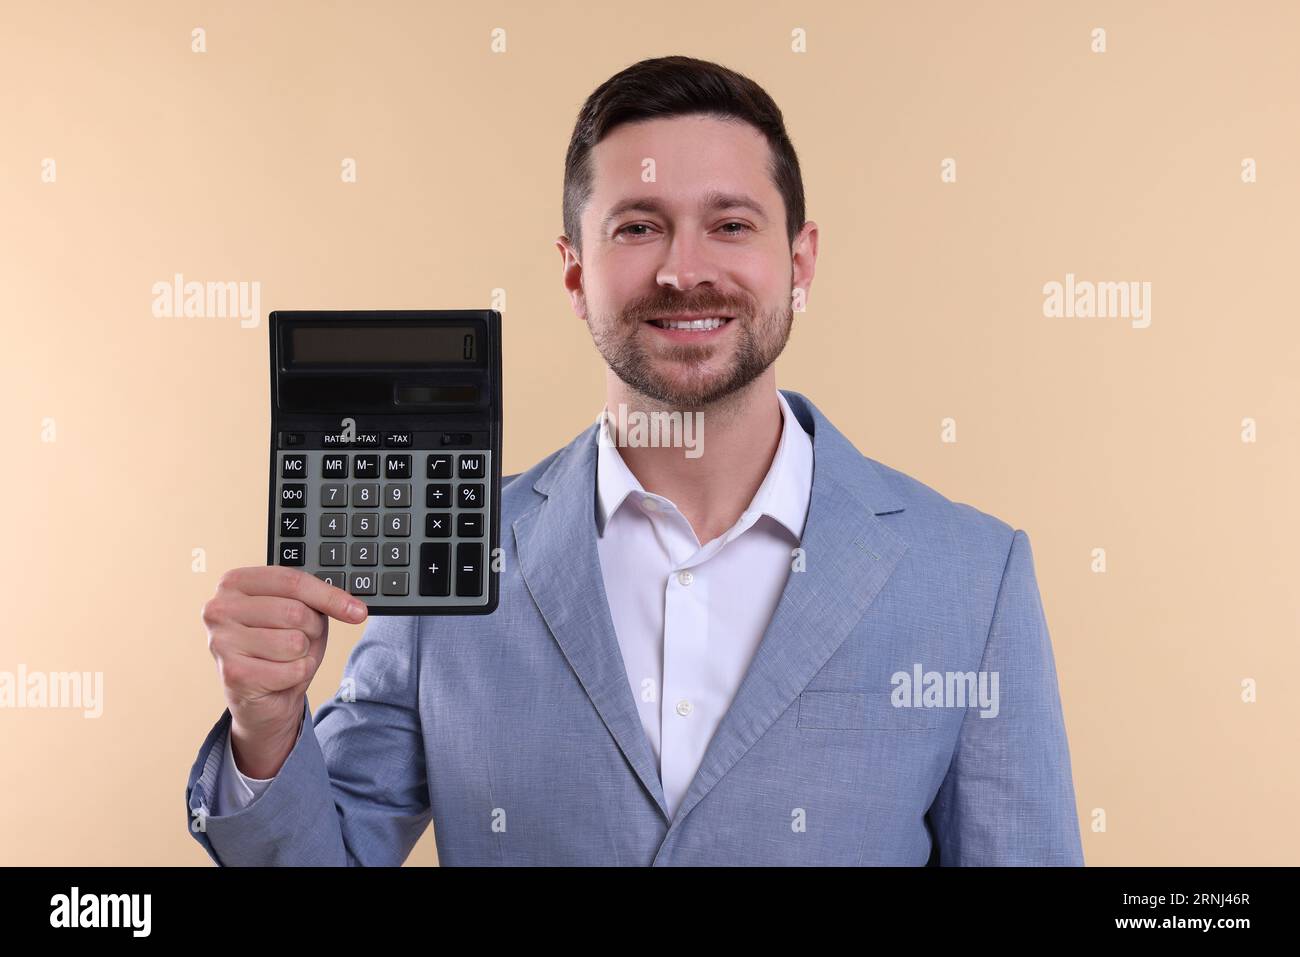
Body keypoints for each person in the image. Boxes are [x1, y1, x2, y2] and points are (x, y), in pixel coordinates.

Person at [187, 55, 1084, 866]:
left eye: (730, 224)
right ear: (575, 274)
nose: (684, 271)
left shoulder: (973, 578)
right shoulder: (451, 561)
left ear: (800, 262)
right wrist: (265, 727)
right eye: (637, 228)